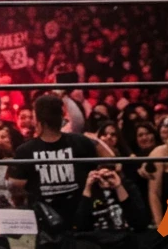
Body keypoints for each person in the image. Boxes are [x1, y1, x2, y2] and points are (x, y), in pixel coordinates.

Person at [7, 94, 113, 231]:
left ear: (38, 120)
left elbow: (15, 185)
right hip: (79, 216)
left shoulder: (26, 150)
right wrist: (95, 140)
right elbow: (112, 160)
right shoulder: (80, 141)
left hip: (47, 222)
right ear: (62, 118)